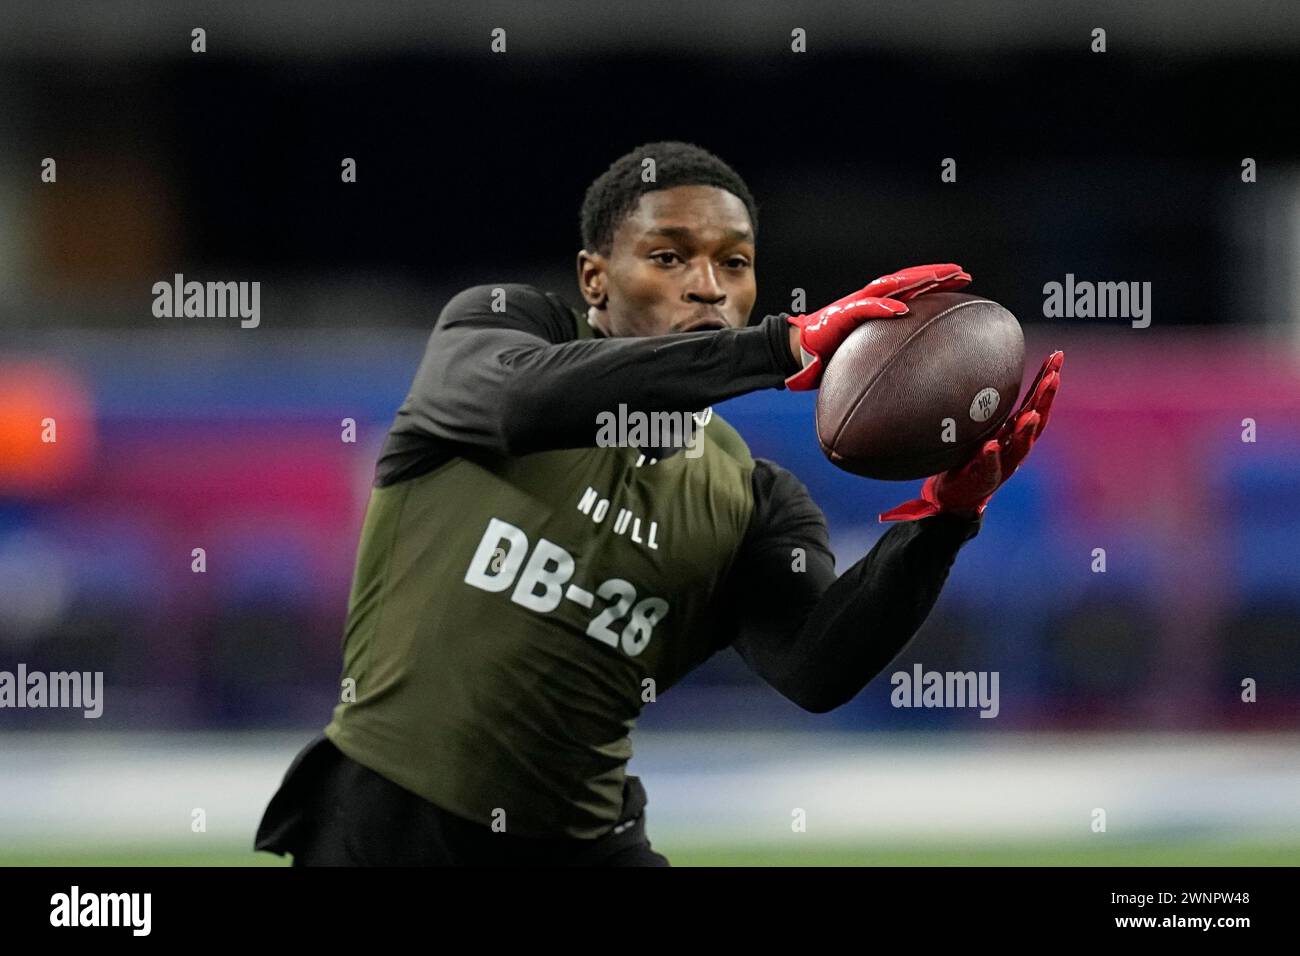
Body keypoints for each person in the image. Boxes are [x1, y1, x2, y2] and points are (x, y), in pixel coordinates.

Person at [255, 140, 1062, 866]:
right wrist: (779, 345)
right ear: (594, 279)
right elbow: (517, 406)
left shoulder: (753, 497)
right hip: (388, 825)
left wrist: (946, 518)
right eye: (669, 257)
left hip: (584, 840)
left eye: (735, 263)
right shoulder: (498, 332)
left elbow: (817, 667)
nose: (707, 286)